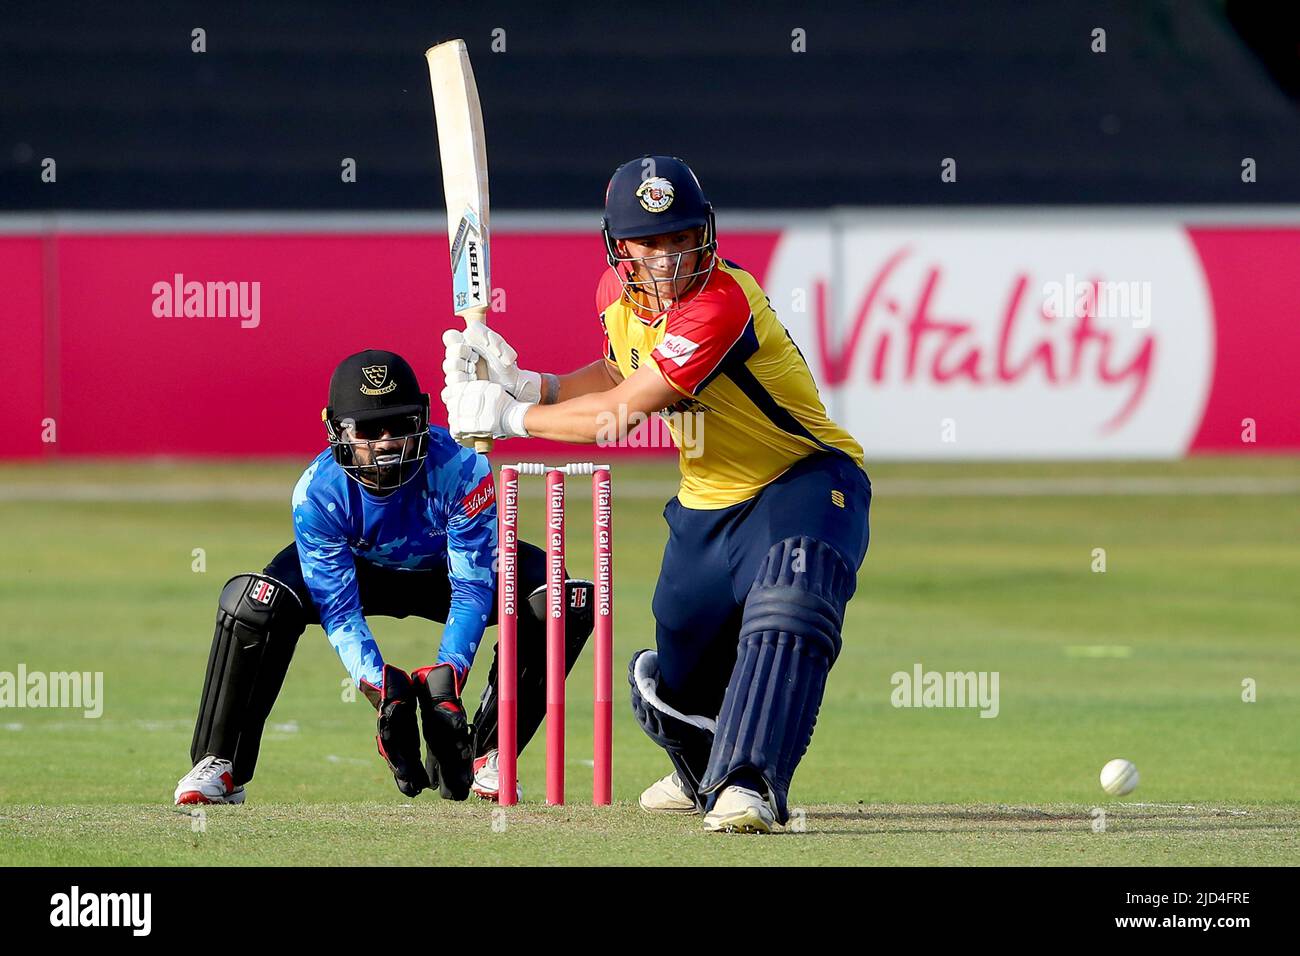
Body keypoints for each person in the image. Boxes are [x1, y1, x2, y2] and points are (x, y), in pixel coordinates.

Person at [441, 156, 871, 833]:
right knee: (675, 677)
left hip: (804, 480)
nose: (669, 257)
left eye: (682, 237)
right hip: (706, 504)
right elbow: (619, 371)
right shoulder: (616, 306)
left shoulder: (722, 303)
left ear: (707, 234)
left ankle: (750, 782)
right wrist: (531, 385)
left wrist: (506, 418)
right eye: (651, 243)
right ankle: (699, 766)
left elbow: (624, 414)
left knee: (791, 599)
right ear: (620, 249)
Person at [173, 349, 593, 805]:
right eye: (371, 431)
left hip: (446, 573)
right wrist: (380, 687)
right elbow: (337, 605)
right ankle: (220, 764)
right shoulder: (317, 492)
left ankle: (488, 755)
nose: (387, 442)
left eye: (400, 424)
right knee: (253, 602)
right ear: (337, 430)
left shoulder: (464, 469)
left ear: (423, 418)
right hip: (360, 573)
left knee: (559, 598)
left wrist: (447, 678)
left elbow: (472, 587)